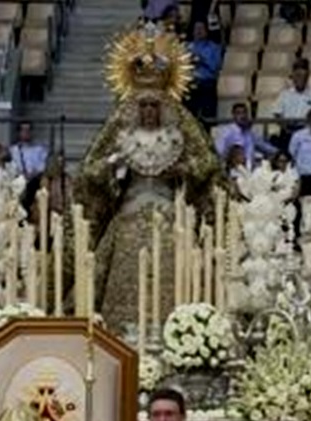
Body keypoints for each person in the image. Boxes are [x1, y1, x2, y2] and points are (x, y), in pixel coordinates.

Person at [76, 24, 220, 332]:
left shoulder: (181, 124)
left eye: (156, 105)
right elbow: (91, 168)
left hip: (171, 218)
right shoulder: (120, 126)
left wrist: (182, 170)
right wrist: (116, 169)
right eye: (144, 105)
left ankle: (180, 334)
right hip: (129, 216)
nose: (150, 111)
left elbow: (207, 161)